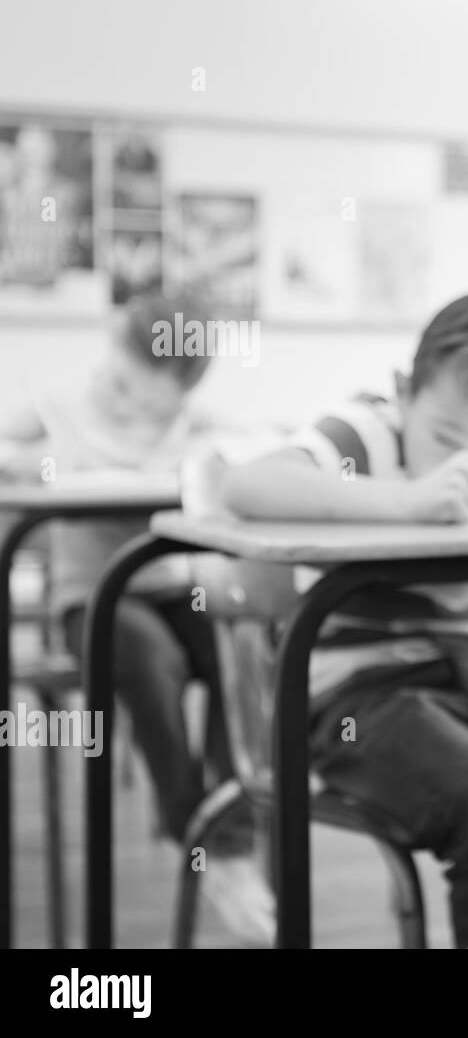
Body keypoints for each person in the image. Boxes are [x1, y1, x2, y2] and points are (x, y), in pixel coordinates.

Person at [218, 289, 468, 947]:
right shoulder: (367, 430)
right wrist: (406, 501)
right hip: (352, 697)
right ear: (405, 393)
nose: (464, 465)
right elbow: (248, 485)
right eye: (444, 438)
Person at [0, 293, 270, 941]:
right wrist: (33, 468)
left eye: (139, 393)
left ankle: (230, 828)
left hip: (174, 590)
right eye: (116, 376)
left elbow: (239, 463)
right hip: (91, 599)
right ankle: (194, 831)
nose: (115, 395)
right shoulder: (61, 410)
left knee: (239, 640)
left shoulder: (193, 425)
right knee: (153, 659)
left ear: (176, 395)